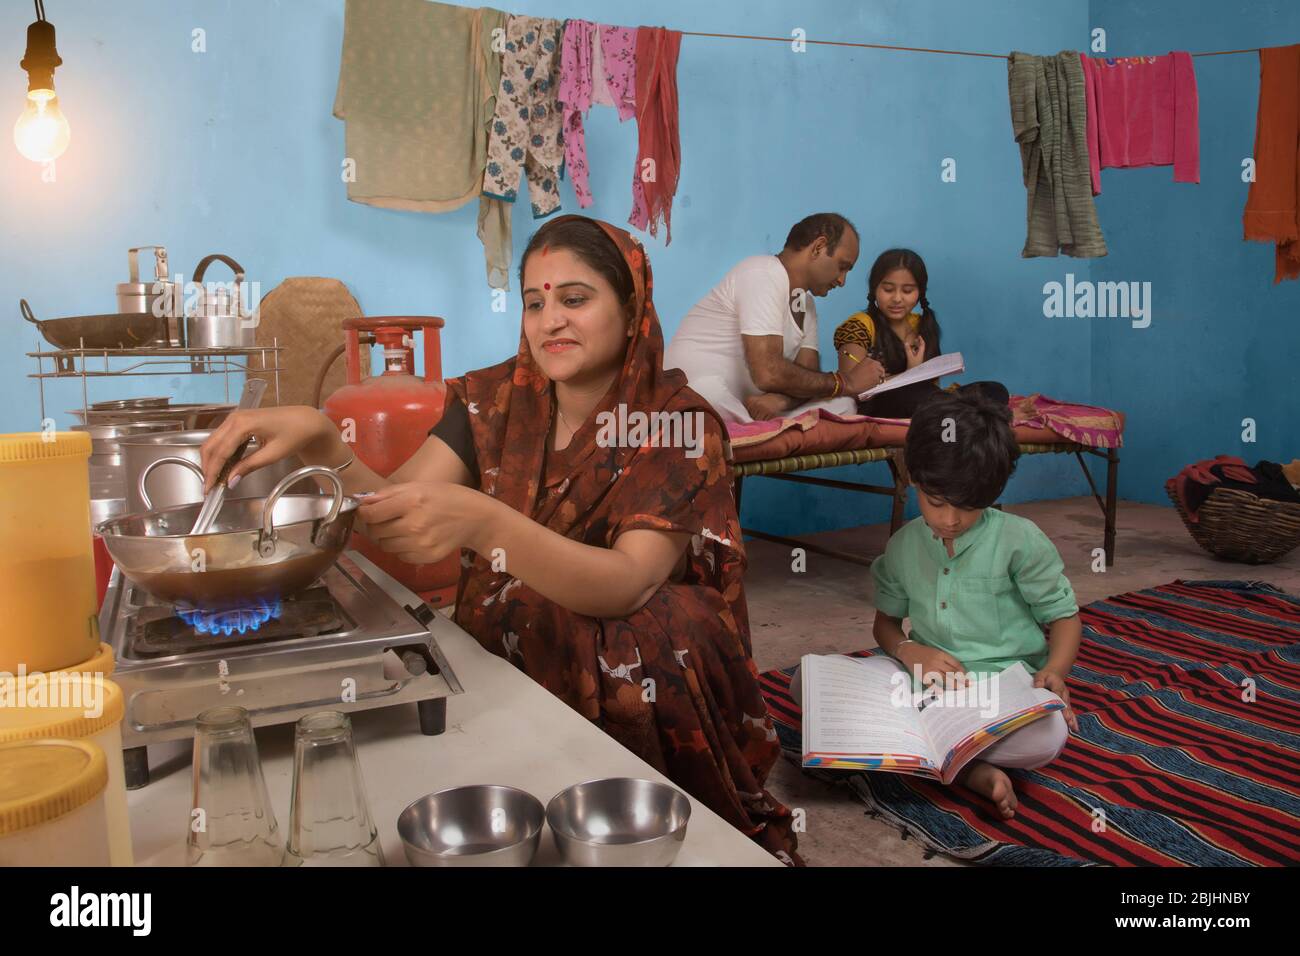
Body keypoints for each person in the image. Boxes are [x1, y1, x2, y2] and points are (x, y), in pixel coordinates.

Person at [200, 215, 800, 861]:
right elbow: (391, 512)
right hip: (517, 644)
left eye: (575, 299)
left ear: (632, 311)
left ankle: (641, 813)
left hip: (645, 671)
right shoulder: (493, 400)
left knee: (660, 620)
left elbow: (627, 583)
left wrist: (485, 525)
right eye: (535, 303)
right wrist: (319, 437)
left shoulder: (677, 422)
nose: (550, 321)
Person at [792, 392, 1081, 820]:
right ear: (913, 479)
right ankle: (964, 764)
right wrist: (910, 651)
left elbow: (1064, 618)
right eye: (936, 502)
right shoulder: (904, 545)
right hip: (920, 680)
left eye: (966, 507)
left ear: (992, 490)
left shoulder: (1020, 541)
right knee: (807, 681)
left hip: (998, 693)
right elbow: (886, 625)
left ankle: (942, 759)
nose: (949, 520)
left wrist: (1054, 673)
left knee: (1048, 736)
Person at [664, 212, 883, 423]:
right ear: (818, 247)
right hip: (696, 396)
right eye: (842, 267)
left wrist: (780, 400)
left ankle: (758, 431)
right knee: (706, 396)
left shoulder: (805, 304)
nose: (842, 280)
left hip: (748, 408)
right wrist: (847, 381)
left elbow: (810, 376)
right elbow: (767, 373)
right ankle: (758, 431)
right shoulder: (762, 272)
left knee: (843, 405)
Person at [833, 248, 1008, 419]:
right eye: (888, 289)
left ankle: (958, 410)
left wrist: (920, 377)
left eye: (907, 291)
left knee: (994, 390)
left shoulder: (922, 325)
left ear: (920, 292)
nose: (897, 298)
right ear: (874, 289)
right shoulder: (859, 325)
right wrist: (910, 373)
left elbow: (930, 386)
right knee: (917, 396)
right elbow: (850, 389)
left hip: (923, 400)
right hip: (879, 405)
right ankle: (971, 412)